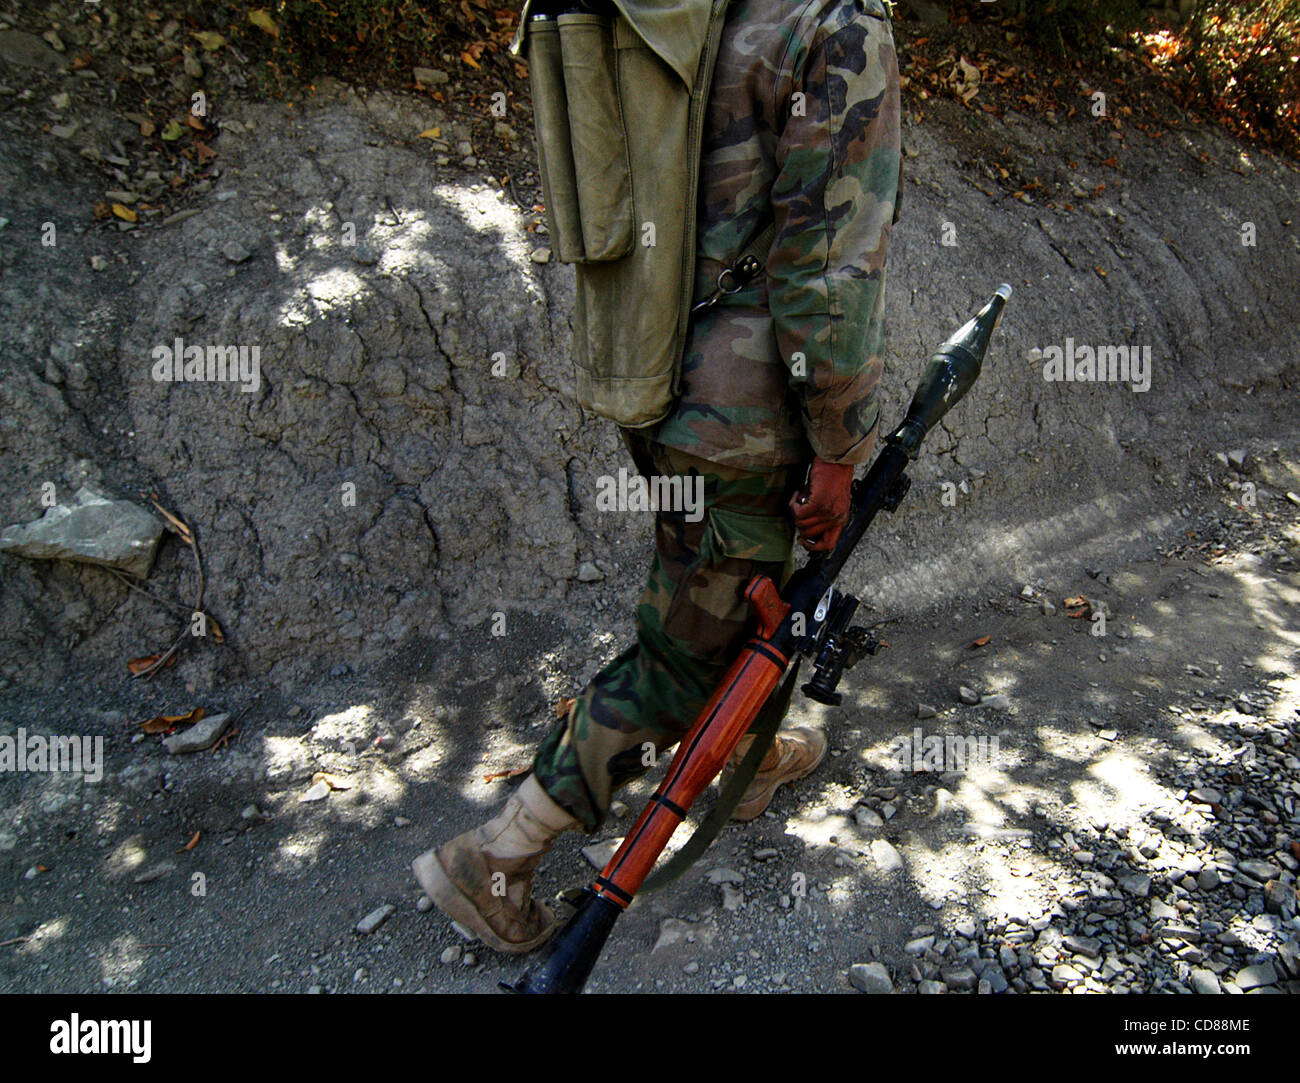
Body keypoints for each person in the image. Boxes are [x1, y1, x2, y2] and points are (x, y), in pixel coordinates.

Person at [414, 0, 902, 955]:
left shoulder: (695, 8)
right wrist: (840, 445)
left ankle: (745, 761)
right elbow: (829, 268)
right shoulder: (838, 24)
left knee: (725, 599)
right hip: (749, 413)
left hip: (654, 370)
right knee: (686, 646)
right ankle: (502, 852)